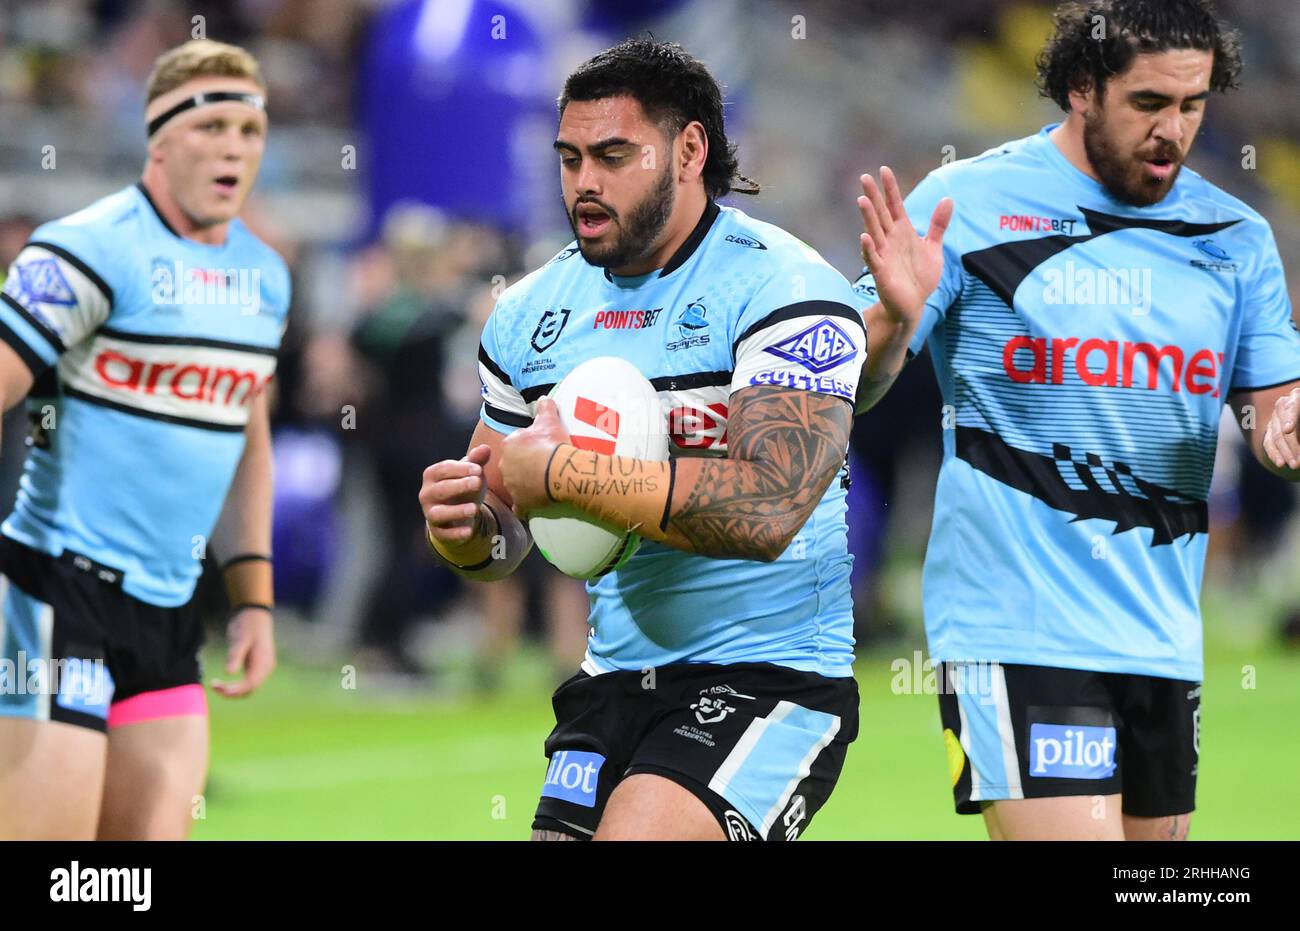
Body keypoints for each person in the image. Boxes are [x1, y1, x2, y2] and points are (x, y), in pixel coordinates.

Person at [420, 38, 918, 841]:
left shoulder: (783, 288)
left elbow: (767, 508)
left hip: (773, 678)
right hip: (612, 677)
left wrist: (566, 474)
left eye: (614, 155)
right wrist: (466, 527)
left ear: (689, 150)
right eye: (570, 158)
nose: (584, 182)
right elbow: (506, 533)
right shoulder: (528, 313)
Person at [853, 0, 1300, 840]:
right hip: (1015, 626)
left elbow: (1278, 422)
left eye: (1193, 105)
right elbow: (863, 388)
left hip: (1161, 634)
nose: (1174, 130)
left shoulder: (1235, 237)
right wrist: (890, 322)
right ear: (1083, 88)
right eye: (1149, 104)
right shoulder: (968, 203)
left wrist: (1293, 428)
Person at [0, 38, 290, 839]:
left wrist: (254, 599)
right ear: (159, 137)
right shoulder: (85, 248)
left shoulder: (265, 278)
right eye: (212, 125)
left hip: (167, 610)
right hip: (55, 593)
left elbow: (247, 442)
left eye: (250, 129)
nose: (234, 146)